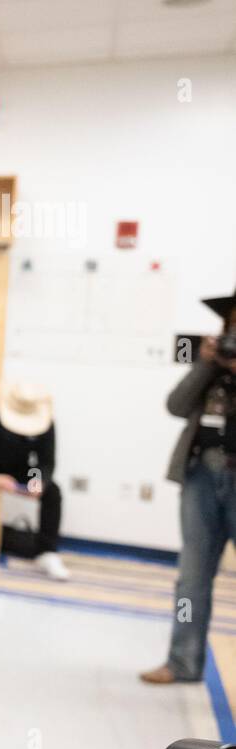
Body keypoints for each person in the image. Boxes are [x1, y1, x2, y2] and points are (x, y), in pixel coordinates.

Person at [141, 287, 236, 685]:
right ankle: (182, 661)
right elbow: (176, 405)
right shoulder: (213, 363)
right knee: (190, 577)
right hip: (200, 475)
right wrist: (207, 365)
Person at [0, 381, 70, 580]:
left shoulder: (45, 422)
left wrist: (37, 481)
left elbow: (45, 461)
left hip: (21, 469)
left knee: (53, 492)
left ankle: (47, 551)